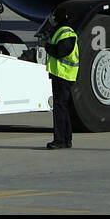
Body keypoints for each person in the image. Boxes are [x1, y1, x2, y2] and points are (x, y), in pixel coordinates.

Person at [44, 9, 79, 149]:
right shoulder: (63, 31)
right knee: (63, 107)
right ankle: (66, 139)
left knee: (59, 108)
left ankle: (59, 139)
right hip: (62, 75)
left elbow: (61, 52)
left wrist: (47, 47)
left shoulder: (65, 32)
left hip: (63, 75)